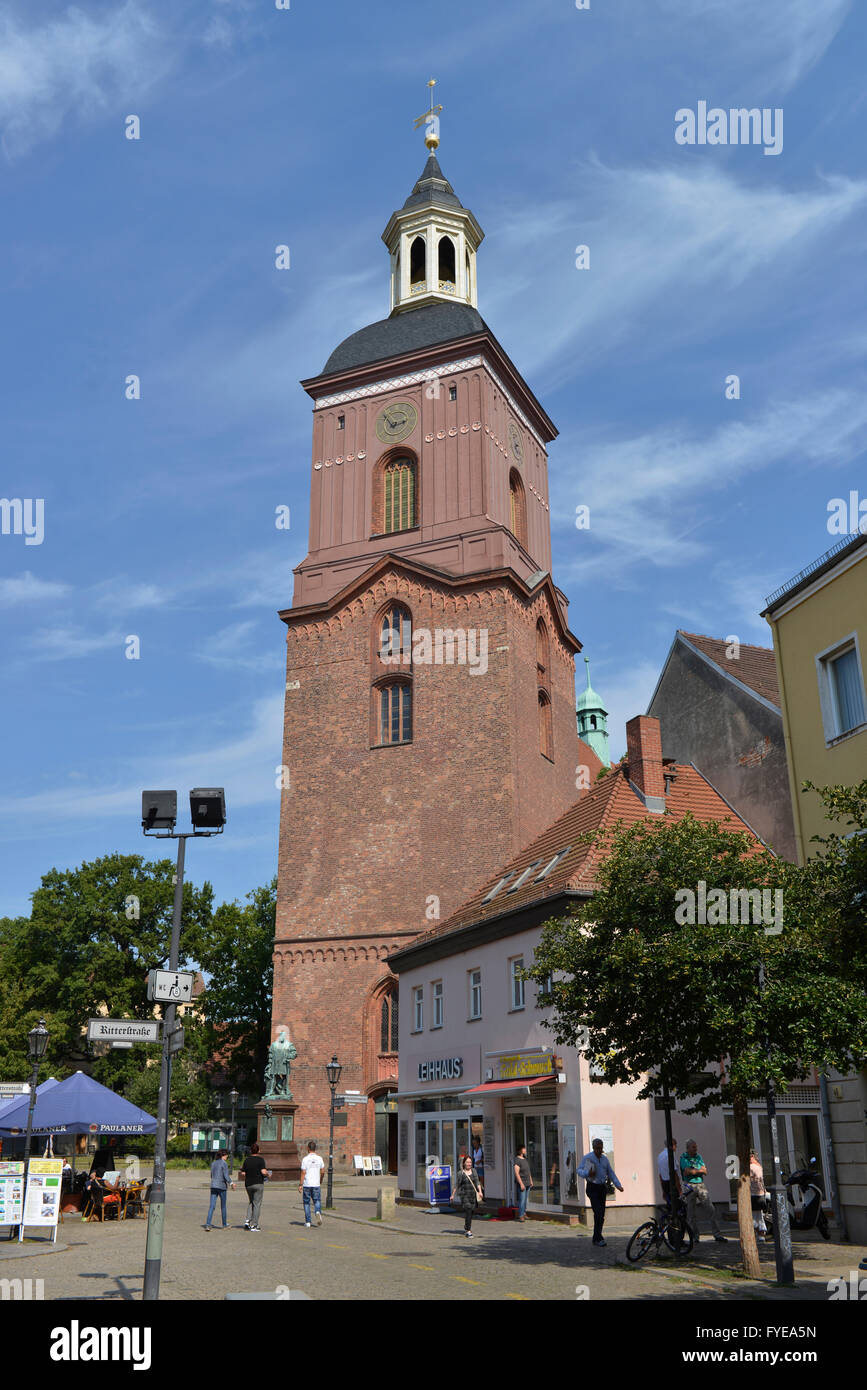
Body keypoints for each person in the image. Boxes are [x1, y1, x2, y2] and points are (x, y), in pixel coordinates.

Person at [578, 1138, 624, 1247]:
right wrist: (587, 1173)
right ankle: (598, 1237)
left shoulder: (604, 1159)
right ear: (593, 1148)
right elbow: (579, 1170)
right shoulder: (588, 1158)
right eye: (597, 1148)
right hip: (592, 1187)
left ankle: (596, 1236)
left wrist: (618, 1185)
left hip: (602, 1188)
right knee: (597, 1212)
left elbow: (611, 1173)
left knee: (601, 1214)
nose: (599, 1150)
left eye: (600, 1148)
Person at [679, 1140, 727, 1243]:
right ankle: (695, 1237)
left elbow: (705, 1171)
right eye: (693, 1147)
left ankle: (717, 1234)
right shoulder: (684, 1157)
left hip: (700, 1185)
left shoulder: (699, 1157)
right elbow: (686, 1172)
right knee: (691, 1213)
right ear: (688, 1148)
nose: (696, 1149)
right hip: (689, 1185)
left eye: (696, 1147)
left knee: (711, 1209)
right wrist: (698, 1170)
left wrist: (694, 1171)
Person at [239, 1142, 271, 1232]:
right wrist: (268, 1175)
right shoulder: (260, 1160)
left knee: (251, 1202)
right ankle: (254, 1225)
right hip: (258, 1183)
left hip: (248, 1184)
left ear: (250, 1151)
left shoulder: (247, 1160)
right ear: (259, 1150)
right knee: (257, 1204)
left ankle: (247, 1221)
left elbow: (243, 1172)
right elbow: (263, 1172)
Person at [451, 1154, 483, 1238]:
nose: (469, 1164)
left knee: (471, 1211)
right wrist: (452, 1195)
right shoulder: (460, 1173)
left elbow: (477, 1182)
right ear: (464, 1163)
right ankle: (468, 1231)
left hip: (473, 1195)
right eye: (467, 1162)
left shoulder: (474, 1171)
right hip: (464, 1195)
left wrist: (480, 1191)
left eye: (470, 1162)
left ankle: (466, 1225)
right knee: (468, 1210)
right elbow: (457, 1185)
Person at [205, 1149, 235, 1231]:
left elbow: (212, 1175)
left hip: (213, 1185)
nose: (227, 1157)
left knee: (212, 1206)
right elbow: (226, 1175)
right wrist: (231, 1183)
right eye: (226, 1155)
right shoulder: (224, 1163)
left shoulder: (213, 1163)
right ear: (223, 1155)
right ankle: (224, 1224)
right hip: (221, 1186)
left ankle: (208, 1224)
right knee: (223, 1206)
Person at [299, 1140, 325, 1227]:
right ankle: (317, 1211)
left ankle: (308, 1222)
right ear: (315, 1148)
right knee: (317, 1200)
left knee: (306, 1203)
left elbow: (303, 1172)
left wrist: (300, 1184)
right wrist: (321, 1179)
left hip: (307, 1184)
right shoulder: (319, 1158)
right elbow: (323, 1171)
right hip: (316, 1183)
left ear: (308, 1148)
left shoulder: (305, 1159)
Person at [750, 1149, 768, 1240]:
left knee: (754, 1216)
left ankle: (760, 1234)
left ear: (752, 1156)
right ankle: (761, 1234)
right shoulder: (759, 1166)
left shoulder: (751, 1167)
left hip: (754, 1194)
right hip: (760, 1193)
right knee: (758, 1215)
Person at [657, 1136, 679, 1211]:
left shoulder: (660, 1155)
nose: (676, 1148)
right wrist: (679, 1188)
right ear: (673, 1145)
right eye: (676, 1145)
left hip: (664, 1183)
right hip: (672, 1184)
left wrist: (663, 1190)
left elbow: (660, 1175)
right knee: (677, 1206)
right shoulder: (671, 1155)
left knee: (669, 1205)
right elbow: (675, 1173)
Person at [513, 1144, 533, 1221]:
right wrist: (521, 1183)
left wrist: (531, 1180)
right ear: (520, 1150)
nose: (525, 1149)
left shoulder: (524, 1159)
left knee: (525, 1200)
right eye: (524, 1148)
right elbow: (516, 1173)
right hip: (522, 1183)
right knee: (522, 1199)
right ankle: (521, 1215)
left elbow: (528, 1171)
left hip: (527, 1182)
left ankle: (524, 1213)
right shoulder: (517, 1160)